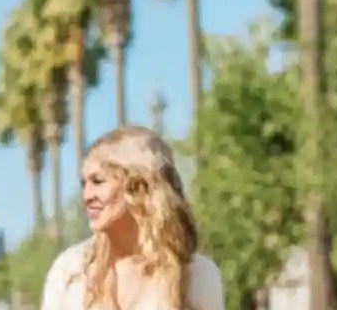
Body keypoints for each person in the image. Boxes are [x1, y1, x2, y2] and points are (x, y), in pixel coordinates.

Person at [40, 126, 223, 310]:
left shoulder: (197, 275)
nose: (87, 196)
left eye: (98, 181)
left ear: (138, 186)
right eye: (84, 184)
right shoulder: (70, 270)